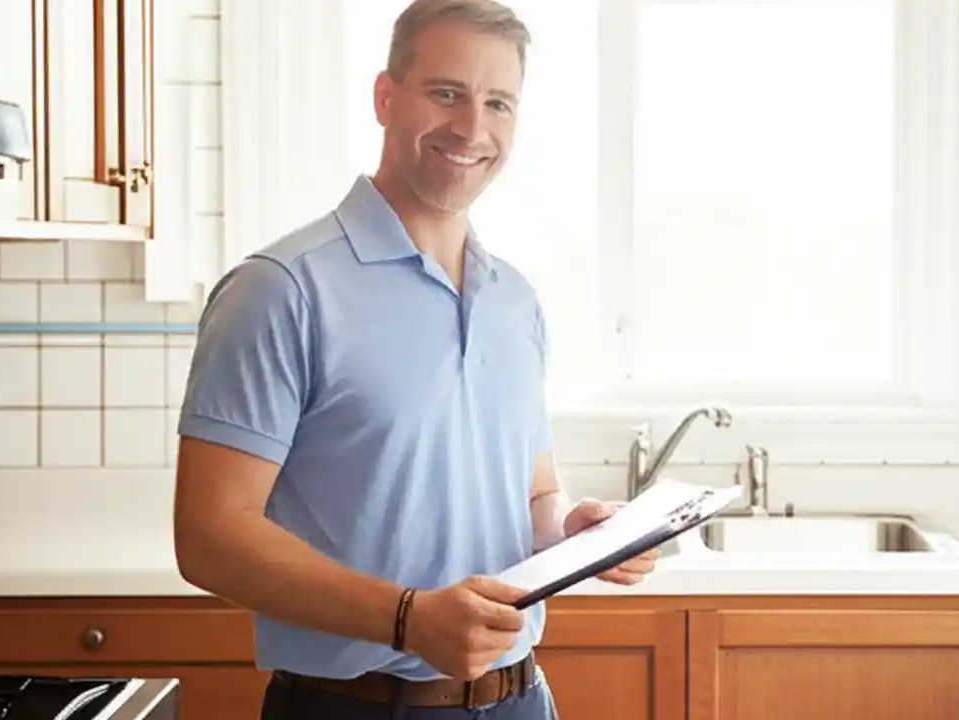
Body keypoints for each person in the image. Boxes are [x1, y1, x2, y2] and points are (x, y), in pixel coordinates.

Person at [171, 0, 659, 717]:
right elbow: (208, 537)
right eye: (446, 93)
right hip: (354, 708)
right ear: (385, 97)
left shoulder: (513, 300)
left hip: (520, 697)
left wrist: (575, 534)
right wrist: (406, 618)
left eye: (498, 103)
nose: (471, 127)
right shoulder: (280, 290)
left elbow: (532, 495)